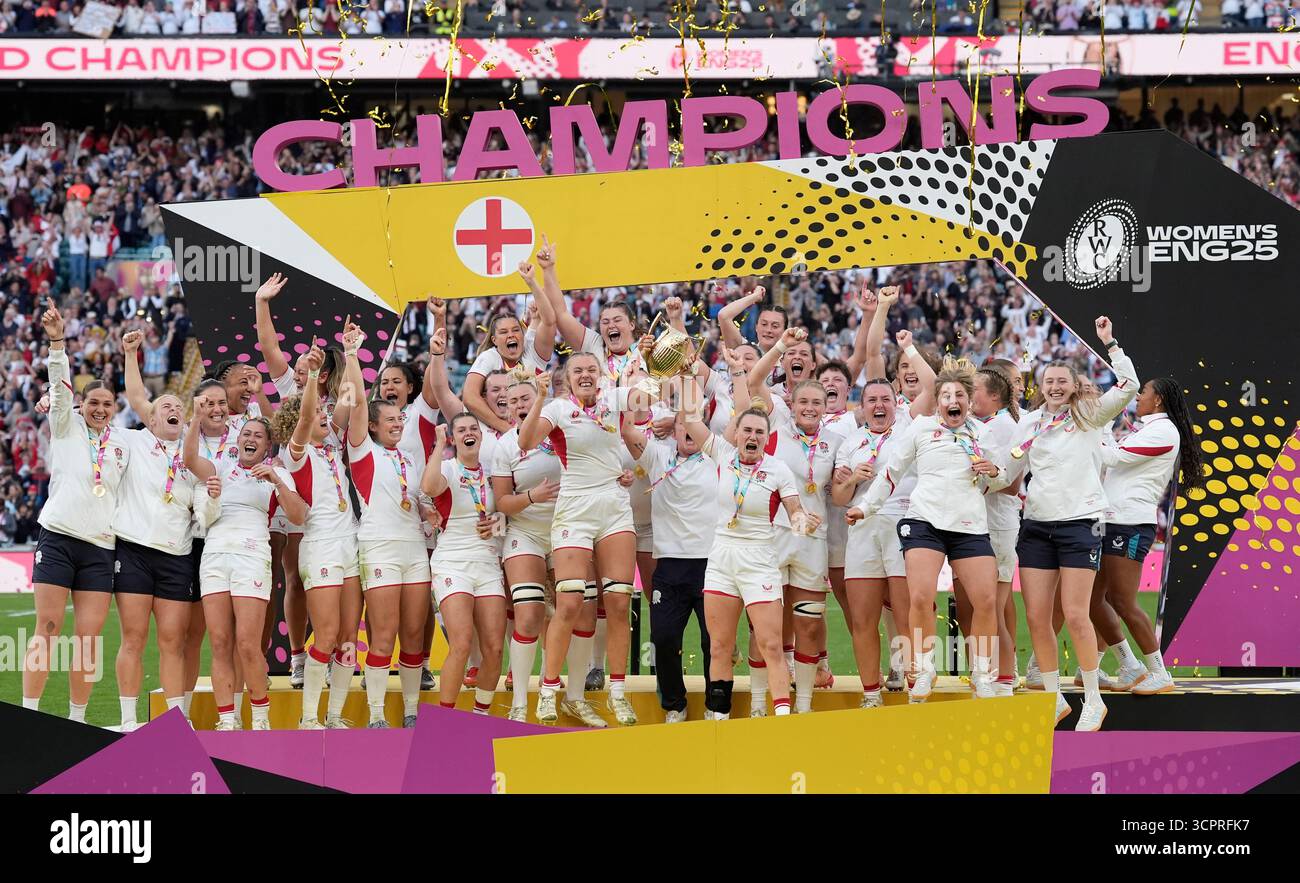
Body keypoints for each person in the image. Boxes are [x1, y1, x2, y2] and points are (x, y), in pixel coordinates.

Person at [1005, 316, 1138, 732]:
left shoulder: (1089, 415)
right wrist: (988, 472)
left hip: (1080, 524)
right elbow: (1009, 472)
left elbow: (1130, 386)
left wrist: (1110, 343)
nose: (1055, 387)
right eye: (1049, 381)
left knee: (1076, 614)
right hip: (1037, 527)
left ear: (1075, 385)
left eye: (1063, 380)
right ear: (1040, 387)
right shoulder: (1030, 422)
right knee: (1037, 617)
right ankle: (1053, 697)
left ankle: (1094, 701)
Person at [853, 356, 1010, 702]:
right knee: (921, 597)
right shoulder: (921, 428)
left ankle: (982, 675)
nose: (953, 401)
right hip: (924, 522)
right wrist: (865, 507)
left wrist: (994, 472)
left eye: (959, 396)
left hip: (970, 526)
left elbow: (1003, 480)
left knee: (984, 601)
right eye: (946, 395)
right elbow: (892, 473)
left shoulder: (982, 433)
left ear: (969, 401)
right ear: (937, 400)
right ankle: (923, 669)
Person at [517, 354, 648, 727]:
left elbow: (648, 398)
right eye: (578, 371)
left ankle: (617, 693)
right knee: (570, 602)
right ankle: (547, 690)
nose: (586, 375)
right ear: (568, 379)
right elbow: (526, 441)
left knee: (620, 604)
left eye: (592, 369)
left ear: (602, 374)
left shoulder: (615, 400)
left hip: (614, 508)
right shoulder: (557, 408)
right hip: (575, 509)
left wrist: (651, 364)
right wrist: (539, 396)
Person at [682, 393, 820, 719]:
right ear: (737, 433)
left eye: (760, 432)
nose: (753, 437)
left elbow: (795, 514)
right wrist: (683, 374)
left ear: (767, 438)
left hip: (759, 561)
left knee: (771, 646)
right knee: (719, 646)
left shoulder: (777, 470)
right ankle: (719, 719)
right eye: (747, 431)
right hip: (721, 559)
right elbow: (689, 419)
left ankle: (782, 719)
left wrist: (806, 525)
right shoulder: (722, 453)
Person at [22, 298, 128, 722]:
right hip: (59, 539)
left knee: (88, 640)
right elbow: (59, 384)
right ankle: (28, 718)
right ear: (80, 405)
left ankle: (77, 722)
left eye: (107, 403)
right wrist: (56, 343)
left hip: (101, 548)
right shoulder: (65, 426)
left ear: (115, 406)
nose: (100, 409)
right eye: (93, 402)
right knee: (47, 630)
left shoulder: (124, 442)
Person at [253, 272, 350, 690]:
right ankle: (296, 656)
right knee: (291, 576)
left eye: (315, 361)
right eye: (306, 358)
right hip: (293, 482)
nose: (305, 360)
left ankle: (324, 653)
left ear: (326, 372)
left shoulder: (342, 398)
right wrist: (262, 303)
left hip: (329, 493)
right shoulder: (292, 385)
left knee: (322, 579)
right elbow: (269, 345)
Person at [183, 402, 305, 731]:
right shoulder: (220, 466)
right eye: (246, 434)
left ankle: (261, 718)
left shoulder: (277, 472)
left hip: (252, 556)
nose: (250, 439)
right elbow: (189, 460)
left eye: (258, 436)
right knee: (220, 642)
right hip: (214, 556)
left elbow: (298, 516)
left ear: (267, 446)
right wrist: (195, 418)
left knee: (248, 644)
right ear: (238, 441)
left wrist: (277, 482)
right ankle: (227, 719)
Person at [111, 390, 214, 732]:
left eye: (178, 407)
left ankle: (176, 718)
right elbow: (92, 426)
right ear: (151, 419)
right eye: (164, 407)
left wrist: (211, 500)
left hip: (177, 556)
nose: (173, 410)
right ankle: (128, 719)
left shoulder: (194, 455)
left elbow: (205, 515)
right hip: (134, 551)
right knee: (134, 638)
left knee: (173, 641)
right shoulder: (132, 441)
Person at [273, 343, 364, 729]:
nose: (325, 415)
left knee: (347, 639)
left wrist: (352, 352)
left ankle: (335, 714)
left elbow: (351, 398)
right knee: (325, 635)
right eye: (317, 415)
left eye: (326, 414)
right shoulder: (296, 455)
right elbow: (310, 411)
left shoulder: (331, 447)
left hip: (351, 545)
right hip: (321, 546)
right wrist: (310, 375)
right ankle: (309, 718)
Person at [345, 325, 433, 728]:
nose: (398, 423)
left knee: (414, 636)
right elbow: (360, 405)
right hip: (379, 547)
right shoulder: (362, 452)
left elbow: (417, 502)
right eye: (391, 419)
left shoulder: (410, 460)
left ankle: (413, 710)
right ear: (374, 426)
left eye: (401, 417)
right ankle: (378, 714)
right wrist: (353, 355)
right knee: (383, 634)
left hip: (414, 548)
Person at [1094, 377, 1201, 696]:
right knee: (1092, 601)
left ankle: (1158, 671)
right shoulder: (1150, 429)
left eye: (1143, 393)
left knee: (1123, 602)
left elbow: (1111, 457)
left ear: (1158, 401)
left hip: (1129, 522)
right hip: (1112, 520)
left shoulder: (1165, 432)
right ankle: (1129, 666)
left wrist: (1094, 424)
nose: (1137, 397)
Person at [622, 401, 717, 723]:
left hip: (710, 566)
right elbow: (627, 429)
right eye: (681, 425)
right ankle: (675, 705)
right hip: (669, 568)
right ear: (672, 430)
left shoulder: (719, 458)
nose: (688, 430)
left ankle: (716, 706)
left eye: (694, 424)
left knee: (713, 641)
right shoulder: (658, 456)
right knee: (663, 639)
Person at [423, 415, 507, 716]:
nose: (469, 433)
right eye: (462, 430)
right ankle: (446, 719)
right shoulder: (446, 467)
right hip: (452, 562)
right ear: (454, 438)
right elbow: (429, 487)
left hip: (486, 563)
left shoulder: (495, 474)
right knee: (461, 643)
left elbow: (506, 513)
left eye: (474, 429)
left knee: (495, 649)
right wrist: (438, 446)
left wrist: (498, 522)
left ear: (480, 436)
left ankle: (480, 715)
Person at [493, 376, 563, 721]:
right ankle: (520, 702)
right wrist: (533, 497)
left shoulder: (561, 433)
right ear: (506, 410)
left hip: (566, 532)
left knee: (568, 609)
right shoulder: (504, 446)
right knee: (530, 614)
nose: (520, 404)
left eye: (526, 397)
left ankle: (553, 688)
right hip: (526, 534)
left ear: (541, 401)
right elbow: (503, 502)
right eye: (513, 400)